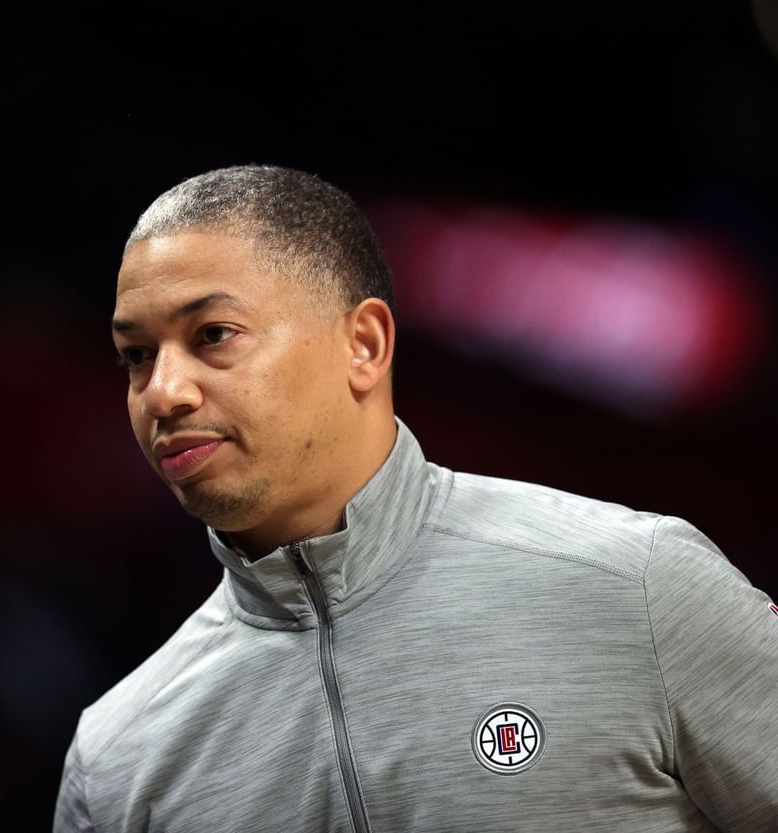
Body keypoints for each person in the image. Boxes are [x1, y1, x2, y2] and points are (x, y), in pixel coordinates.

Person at [53, 165, 778, 832]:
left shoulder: (639, 586)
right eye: (137, 356)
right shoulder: (119, 758)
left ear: (363, 345)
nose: (163, 393)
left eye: (213, 335)